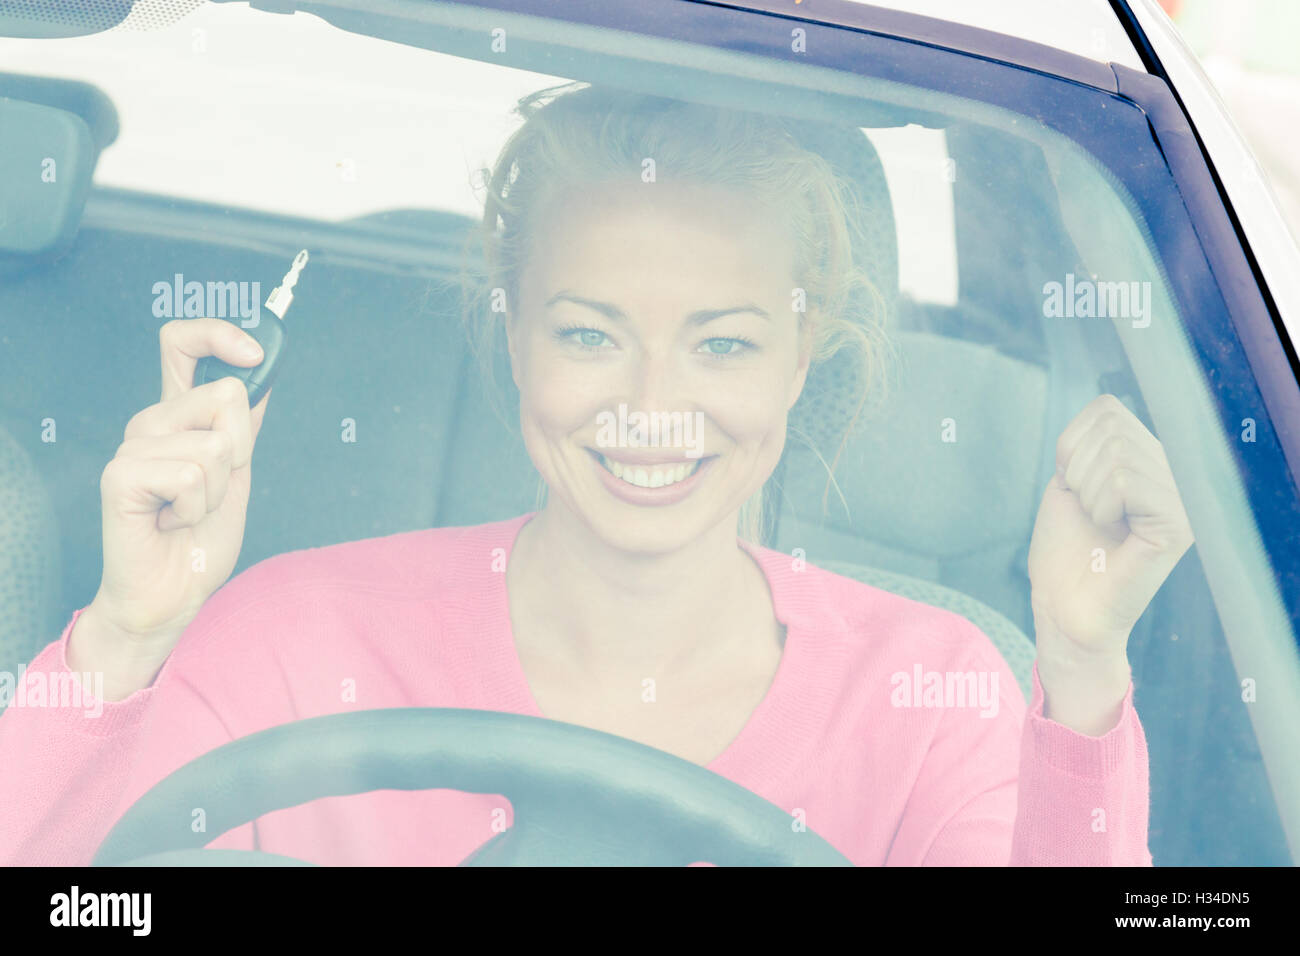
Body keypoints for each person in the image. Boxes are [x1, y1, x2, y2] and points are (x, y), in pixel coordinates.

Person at [0, 84, 1193, 866]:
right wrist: (124, 633)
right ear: (513, 335)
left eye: (723, 342)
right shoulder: (290, 640)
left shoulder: (934, 692)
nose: (651, 405)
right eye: (588, 334)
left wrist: (1082, 670)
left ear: (800, 358)